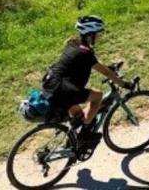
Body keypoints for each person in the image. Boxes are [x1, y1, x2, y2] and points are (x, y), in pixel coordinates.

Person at [42, 15, 132, 150]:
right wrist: (124, 84)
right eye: (98, 34)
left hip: (50, 83)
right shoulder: (86, 53)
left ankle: (73, 141)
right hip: (63, 88)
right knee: (98, 96)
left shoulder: (73, 43)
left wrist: (108, 67)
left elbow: (89, 64)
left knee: (79, 116)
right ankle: (84, 135)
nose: (100, 37)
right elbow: (105, 73)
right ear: (91, 35)